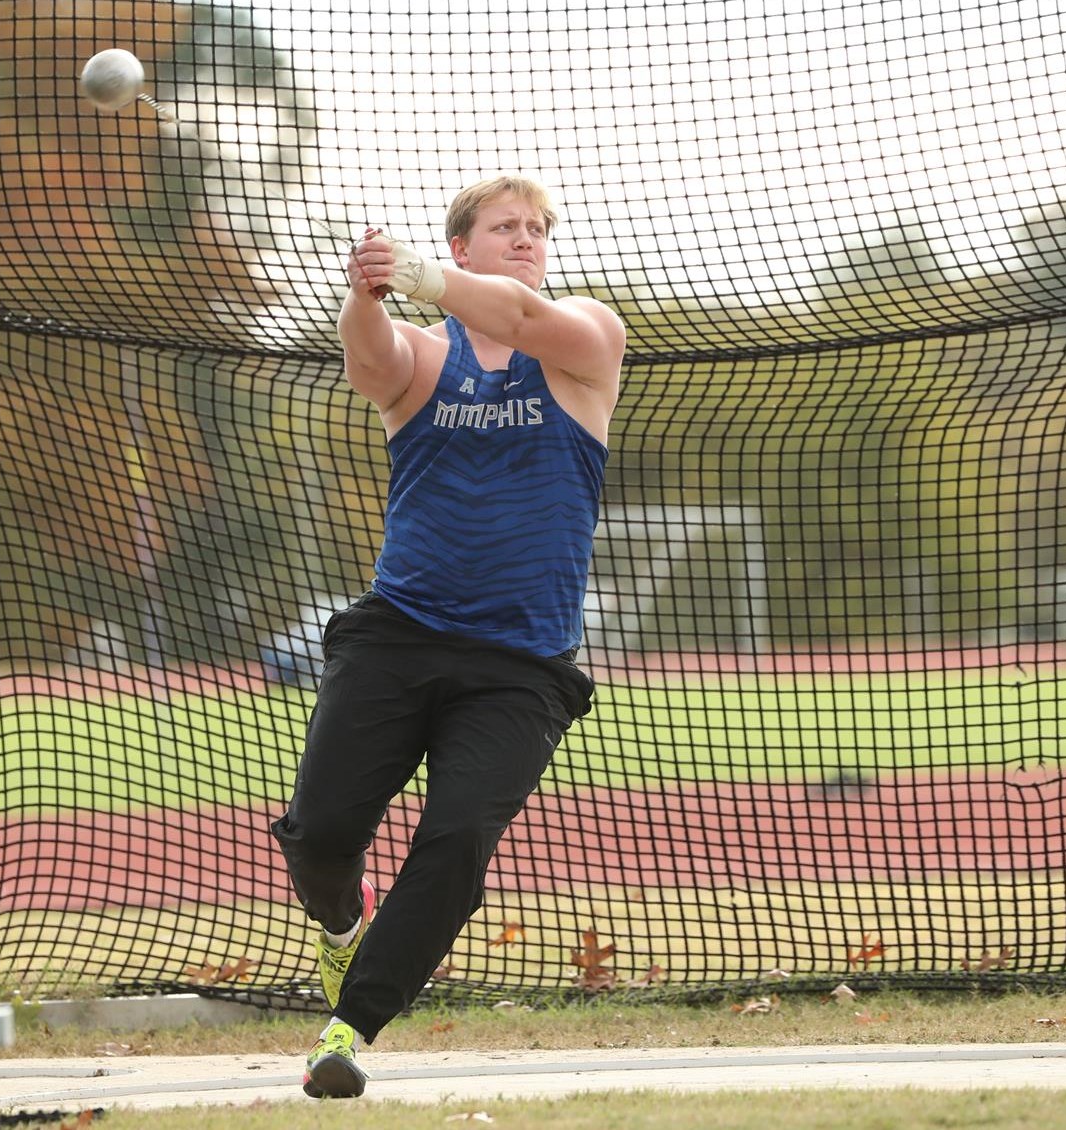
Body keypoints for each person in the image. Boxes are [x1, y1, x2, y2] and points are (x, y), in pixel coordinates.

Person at [269, 175, 626, 1099]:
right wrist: (366, 291)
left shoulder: (582, 343)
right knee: (319, 833)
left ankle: (347, 1029)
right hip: (398, 638)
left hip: (520, 664)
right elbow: (370, 359)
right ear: (464, 245)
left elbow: (518, 314)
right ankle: (340, 928)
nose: (526, 240)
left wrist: (421, 273)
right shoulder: (424, 362)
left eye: (537, 229)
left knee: (461, 833)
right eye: (504, 228)